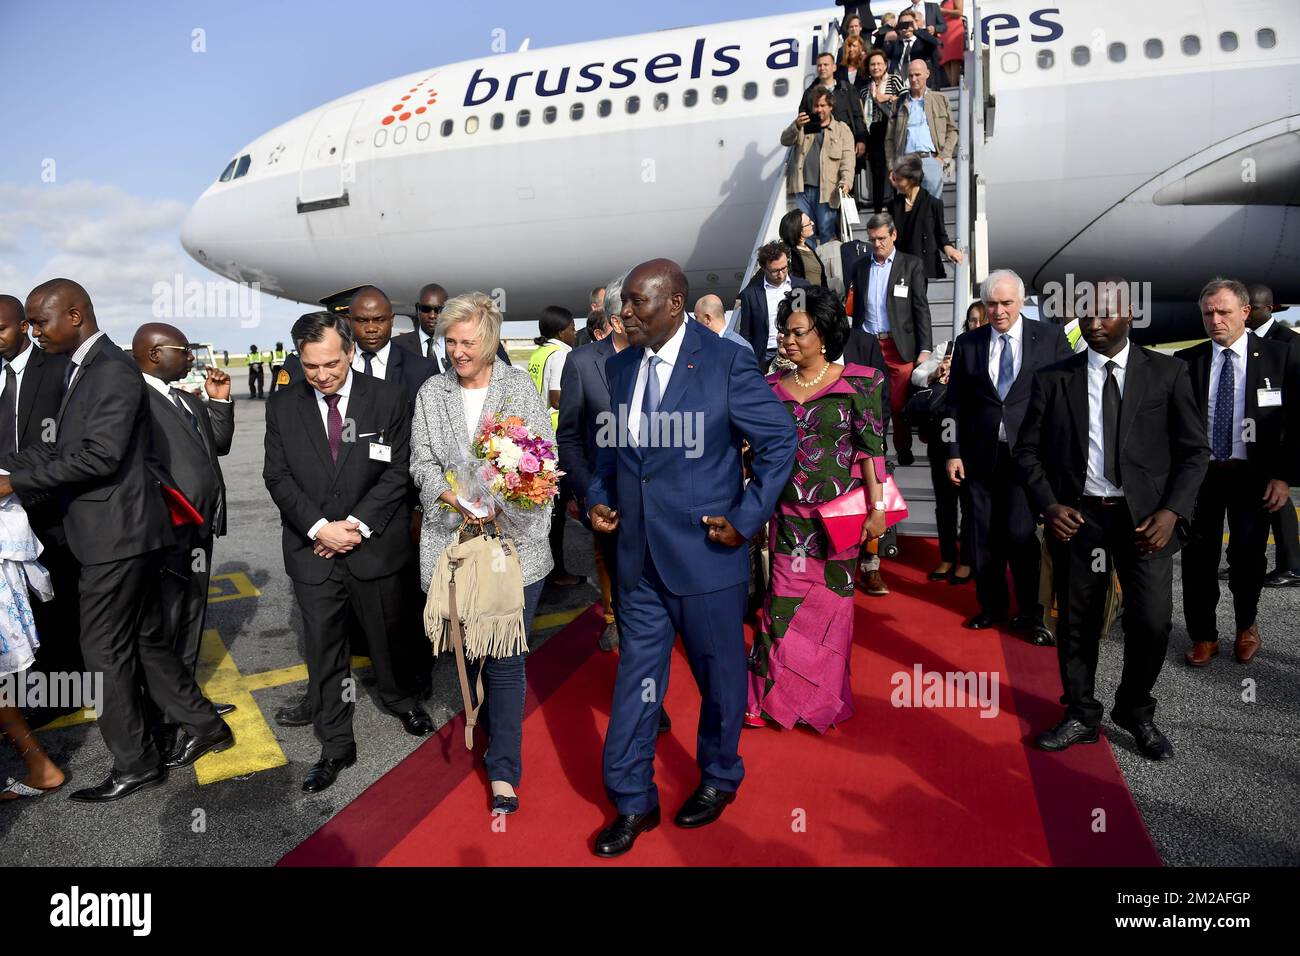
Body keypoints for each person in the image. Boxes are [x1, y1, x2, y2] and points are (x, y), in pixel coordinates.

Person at [586, 258, 796, 857]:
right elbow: (612, 453)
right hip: (638, 562)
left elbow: (779, 440)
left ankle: (720, 775)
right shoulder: (622, 365)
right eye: (623, 301)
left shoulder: (728, 361)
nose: (623, 312)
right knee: (636, 684)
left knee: (720, 680)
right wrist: (600, 499)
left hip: (706, 555)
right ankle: (633, 800)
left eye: (635, 303)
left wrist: (747, 519)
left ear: (675, 303)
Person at [0, 279, 232, 803]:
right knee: (146, 639)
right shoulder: (80, 368)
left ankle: (136, 762)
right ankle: (205, 726)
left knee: (103, 650)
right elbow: (57, 444)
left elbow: (99, 455)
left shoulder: (110, 370)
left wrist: (14, 483)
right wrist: (9, 466)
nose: (34, 332)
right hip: (122, 533)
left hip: (117, 536)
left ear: (76, 315)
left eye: (40, 321)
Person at [1017, 281, 1209, 759]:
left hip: (1145, 524)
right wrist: (1049, 505)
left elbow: (1193, 452)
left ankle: (1135, 709)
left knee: (1153, 622)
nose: (1094, 324)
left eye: (1105, 315)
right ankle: (1080, 712)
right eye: (1086, 316)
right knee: (1077, 624)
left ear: (1131, 317)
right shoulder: (1054, 378)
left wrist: (1171, 511)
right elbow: (1026, 452)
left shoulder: (1167, 373)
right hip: (1080, 521)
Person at [263, 310, 433, 794]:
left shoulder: (387, 398)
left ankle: (401, 699)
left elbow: (399, 470)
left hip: (372, 546)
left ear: (351, 352)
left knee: (389, 635)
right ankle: (336, 743)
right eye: (311, 366)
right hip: (312, 550)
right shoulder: (283, 404)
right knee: (324, 650)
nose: (321, 375)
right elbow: (277, 477)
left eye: (331, 365)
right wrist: (321, 528)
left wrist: (354, 526)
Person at [410, 292, 555, 814]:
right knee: (470, 652)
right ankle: (487, 719)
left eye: (466, 341)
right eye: (449, 341)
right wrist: (450, 495)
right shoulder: (432, 393)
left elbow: (543, 460)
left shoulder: (519, 388)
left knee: (508, 658)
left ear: (490, 340)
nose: (456, 351)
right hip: (452, 544)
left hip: (517, 547)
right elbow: (421, 462)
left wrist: (503, 503)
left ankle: (503, 771)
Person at [747, 286, 886, 731]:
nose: (787, 341)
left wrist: (877, 507)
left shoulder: (859, 383)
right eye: (784, 332)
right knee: (782, 606)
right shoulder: (768, 387)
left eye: (797, 332)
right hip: (786, 517)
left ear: (823, 334)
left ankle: (819, 703)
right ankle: (773, 700)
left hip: (838, 518)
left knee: (831, 611)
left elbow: (870, 450)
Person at [1176, 279, 1298, 667]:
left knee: (1247, 558)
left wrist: (1283, 476)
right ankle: (1204, 635)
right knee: (1198, 559)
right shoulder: (1187, 360)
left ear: (1245, 312)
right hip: (1202, 477)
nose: (1215, 320)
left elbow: (1296, 422)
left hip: (1253, 477)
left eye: (1224, 311)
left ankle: (1247, 625)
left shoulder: (1281, 357)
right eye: (1208, 312)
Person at [944, 269, 1071, 635]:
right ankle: (992, 606)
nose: (998, 311)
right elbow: (954, 404)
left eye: (1006, 303)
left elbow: (1064, 400)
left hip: (1029, 458)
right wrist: (953, 451)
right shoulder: (969, 344)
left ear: (1021, 301)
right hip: (980, 456)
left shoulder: (1049, 338)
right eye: (991, 304)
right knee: (983, 536)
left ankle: (1031, 612)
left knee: (1019, 534)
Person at [131, 324, 235, 705]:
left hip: (200, 529)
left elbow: (217, 446)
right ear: (155, 354)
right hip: (165, 532)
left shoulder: (187, 400)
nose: (192, 357)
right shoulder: (134, 400)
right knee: (167, 622)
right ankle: (165, 708)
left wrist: (219, 402)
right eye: (185, 350)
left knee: (192, 616)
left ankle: (187, 702)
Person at [0, 295, 82, 715]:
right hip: (9, 511)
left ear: (22, 325)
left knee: (61, 598)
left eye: (1, 329)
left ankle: (68, 694)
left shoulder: (57, 367)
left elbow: (58, 443)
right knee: (22, 605)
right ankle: (38, 690)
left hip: (50, 503)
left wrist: (8, 477)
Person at [559, 277, 629, 653]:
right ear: (618, 320)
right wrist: (587, 493)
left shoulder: (660, 358)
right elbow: (568, 437)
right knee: (616, 575)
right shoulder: (582, 363)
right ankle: (613, 619)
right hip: (607, 502)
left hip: (659, 505)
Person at [849, 212, 932, 466]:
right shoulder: (860, 267)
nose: (877, 244)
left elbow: (921, 308)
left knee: (896, 402)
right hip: (868, 343)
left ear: (893, 235)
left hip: (899, 345)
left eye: (882, 238)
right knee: (868, 400)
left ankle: (903, 446)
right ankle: (876, 450)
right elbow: (858, 309)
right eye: (872, 239)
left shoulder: (911, 265)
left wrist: (925, 347)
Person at [1245, 284, 1300, 587]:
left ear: (1269, 308)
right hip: (1251, 437)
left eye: (1251, 307)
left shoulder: (1289, 342)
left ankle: (1292, 565)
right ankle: (1248, 560)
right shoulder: (1246, 341)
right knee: (1255, 500)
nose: (1246, 312)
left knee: (1278, 500)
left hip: (1277, 437)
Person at [528, 306, 581, 588]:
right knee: (558, 510)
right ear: (562, 330)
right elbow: (558, 397)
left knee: (547, 509)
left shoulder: (539, 353)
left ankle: (549, 567)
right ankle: (556, 570)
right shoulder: (561, 354)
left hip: (539, 437)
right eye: (573, 328)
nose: (574, 333)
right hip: (556, 437)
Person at [782, 87, 856, 246]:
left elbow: (848, 160)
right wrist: (796, 125)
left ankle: (827, 270)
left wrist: (846, 182)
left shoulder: (842, 129)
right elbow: (785, 140)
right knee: (803, 235)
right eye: (816, 106)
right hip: (803, 189)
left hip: (827, 192)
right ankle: (811, 269)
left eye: (823, 105)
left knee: (827, 233)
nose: (819, 109)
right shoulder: (804, 125)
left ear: (830, 107)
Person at [347, 286, 437, 407]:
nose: (371, 328)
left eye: (379, 320)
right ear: (349, 321)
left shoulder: (421, 370)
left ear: (392, 320)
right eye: (362, 321)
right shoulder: (331, 365)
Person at [886, 60, 957, 199]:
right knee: (908, 210)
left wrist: (943, 157)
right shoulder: (899, 103)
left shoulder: (940, 99)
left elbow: (952, 131)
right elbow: (889, 139)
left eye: (917, 75)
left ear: (927, 74)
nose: (913, 79)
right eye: (910, 75)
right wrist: (891, 166)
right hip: (906, 161)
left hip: (931, 159)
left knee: (931, 208)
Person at [736, 242, 813, 369]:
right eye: (775, 271)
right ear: (764, 268)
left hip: (798, 350)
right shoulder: (750, 294)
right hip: (765, 354)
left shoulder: (801, 287)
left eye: (784, 268)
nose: (781, 274)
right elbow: (746, 333)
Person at [888, 153, 963, 279]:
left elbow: (940, 235)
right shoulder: (893, 205)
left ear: (911, 180)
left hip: (920, 267)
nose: (896, 183)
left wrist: (950, 250)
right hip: (899, 266)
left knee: (919, 299)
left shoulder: (933, 204)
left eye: (899, 179)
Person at [798, 54, 867, 169]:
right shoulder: (809, 93)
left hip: (845, 145)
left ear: (834, 67)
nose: (822, 68)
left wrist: (861, 139)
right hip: (819, 148)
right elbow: (804, 118)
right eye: (819, 65)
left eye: (826, 64)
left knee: (846, 182)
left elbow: (857, 116)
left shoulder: (847, 89)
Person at [863, 50, 906, 213]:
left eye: (879, 64)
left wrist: (886, 97)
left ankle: (898, 207)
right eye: (872, 64)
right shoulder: (865, 88)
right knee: (877, 172)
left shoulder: (894, 79)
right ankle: (878, 211)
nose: (876, 67)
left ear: (885, 65)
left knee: (896, 168)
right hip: (874, 131)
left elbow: (905, 98)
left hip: (893, 126)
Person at [392, 283, 449, 369]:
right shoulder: (397, 345)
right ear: (417, 309)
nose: (432, 316)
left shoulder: (459, 345)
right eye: (426, 309)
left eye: (439, 310)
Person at [879, 11, 940, 79]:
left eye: (909, 23)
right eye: (903, 24)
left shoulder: (923, 42)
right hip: (898, 85)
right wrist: (885, 29)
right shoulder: (895, 45)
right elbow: (878, 52)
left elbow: (935, 42)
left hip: (920, 84)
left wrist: (916, 30)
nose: (906, 26)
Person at [779, 209, 827, 288]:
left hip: (820, 296)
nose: (813, 223)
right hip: (805, 298)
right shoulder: (791, 254)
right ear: (799, 230)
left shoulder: (808, 247)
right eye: (809, 223)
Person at [938, 0, 966, 89]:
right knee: (945, 59)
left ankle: (954, 85)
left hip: (954, 28)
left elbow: (959, 12)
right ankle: (951, 85)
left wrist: (943, 11)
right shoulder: (943, 2)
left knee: (954, 57)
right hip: (944, 30)